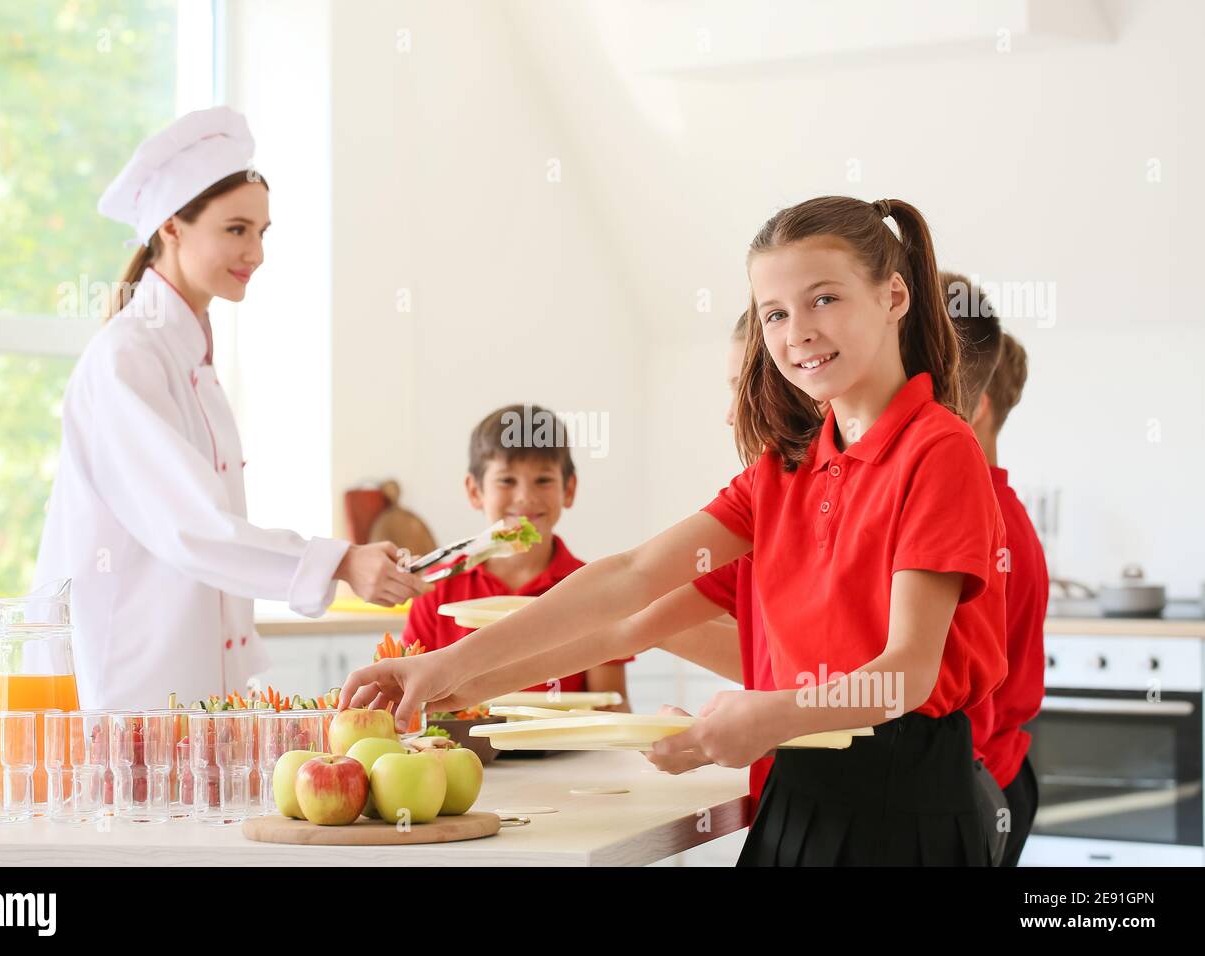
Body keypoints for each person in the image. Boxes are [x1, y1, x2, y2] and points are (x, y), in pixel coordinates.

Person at [341, 196, 1009, 866]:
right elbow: (629, 585)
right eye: (775, 313)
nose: (797, 331)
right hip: (798, 796)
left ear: (894, 295)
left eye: (824, 299)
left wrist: (768, 715)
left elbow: (906, 676)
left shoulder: (937, 450)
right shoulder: (785, 472)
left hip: (905, 807)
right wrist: (453, 670)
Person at [35, 107, 427, 709]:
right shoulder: (128, 359)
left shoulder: (188, 352)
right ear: (172, 225)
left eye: (263, 232)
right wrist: (340, 560)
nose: (257, 253)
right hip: (127, 692)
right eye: (237, 229)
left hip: (191, 694)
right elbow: (193, 527)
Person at [401, 404, 632, 705]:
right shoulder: (436, 588)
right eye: (507, 481)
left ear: (569, 488)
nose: (525, 497)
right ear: (475, 491)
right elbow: (411, 698)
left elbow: (611, 706)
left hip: (567, 751)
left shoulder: (593, 587)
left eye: (543, 480)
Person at [944, 270, 1047, 867]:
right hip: (1001, 775)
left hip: (986, 783)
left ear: (974, 404)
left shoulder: (984, 520)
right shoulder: (995, 509)